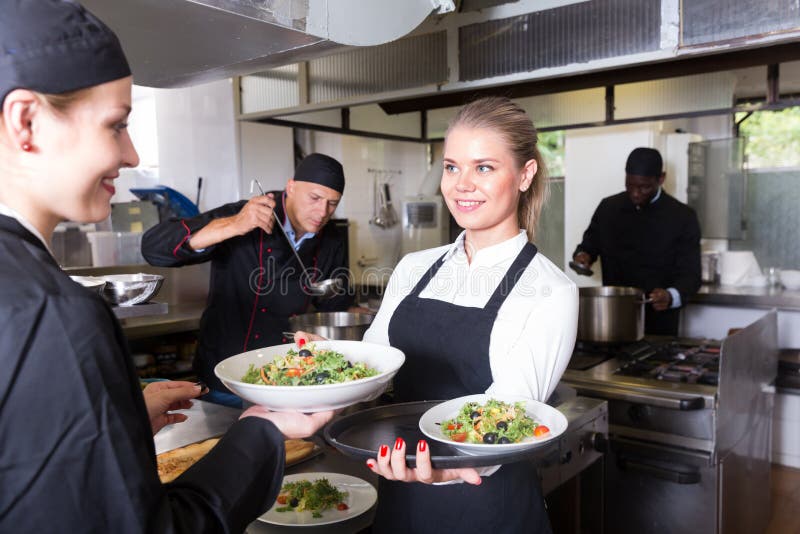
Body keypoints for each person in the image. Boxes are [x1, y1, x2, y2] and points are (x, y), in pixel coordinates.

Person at [0, 2, 331, 532]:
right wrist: (263, 432)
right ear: (26, 121)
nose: (132, 155)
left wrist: (124, 418)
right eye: (116, 125)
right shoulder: (54, 314)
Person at [298, 96, 579, 533]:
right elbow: (376, 368)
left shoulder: (551, 290)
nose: (461, 184)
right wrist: (332, 365)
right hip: (400, 486)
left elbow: (510, 416)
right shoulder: (414, 268)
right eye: (452, 167)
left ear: (525, 175)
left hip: (487, 501)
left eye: (483, 167)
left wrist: (451, 469)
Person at [141, 153, 354, 406]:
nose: (322, 212)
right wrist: (233, 225)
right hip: (224, 375)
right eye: (315, 198)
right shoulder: (244, 213)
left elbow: (335, 305)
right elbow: (153, 248)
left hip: (284, 377)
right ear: (291, 187)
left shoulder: (332, 238)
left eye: (333, 203)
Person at [571, 147, 702, 335]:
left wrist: (671, 296)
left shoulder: (683, 217)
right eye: (630, 185)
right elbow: (589, 244)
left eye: (644, 187)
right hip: (611, 318)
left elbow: (691, 275)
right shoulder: (609, 208)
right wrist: (583, 256)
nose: (635, 194)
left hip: (659, 323)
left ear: (661, 179)